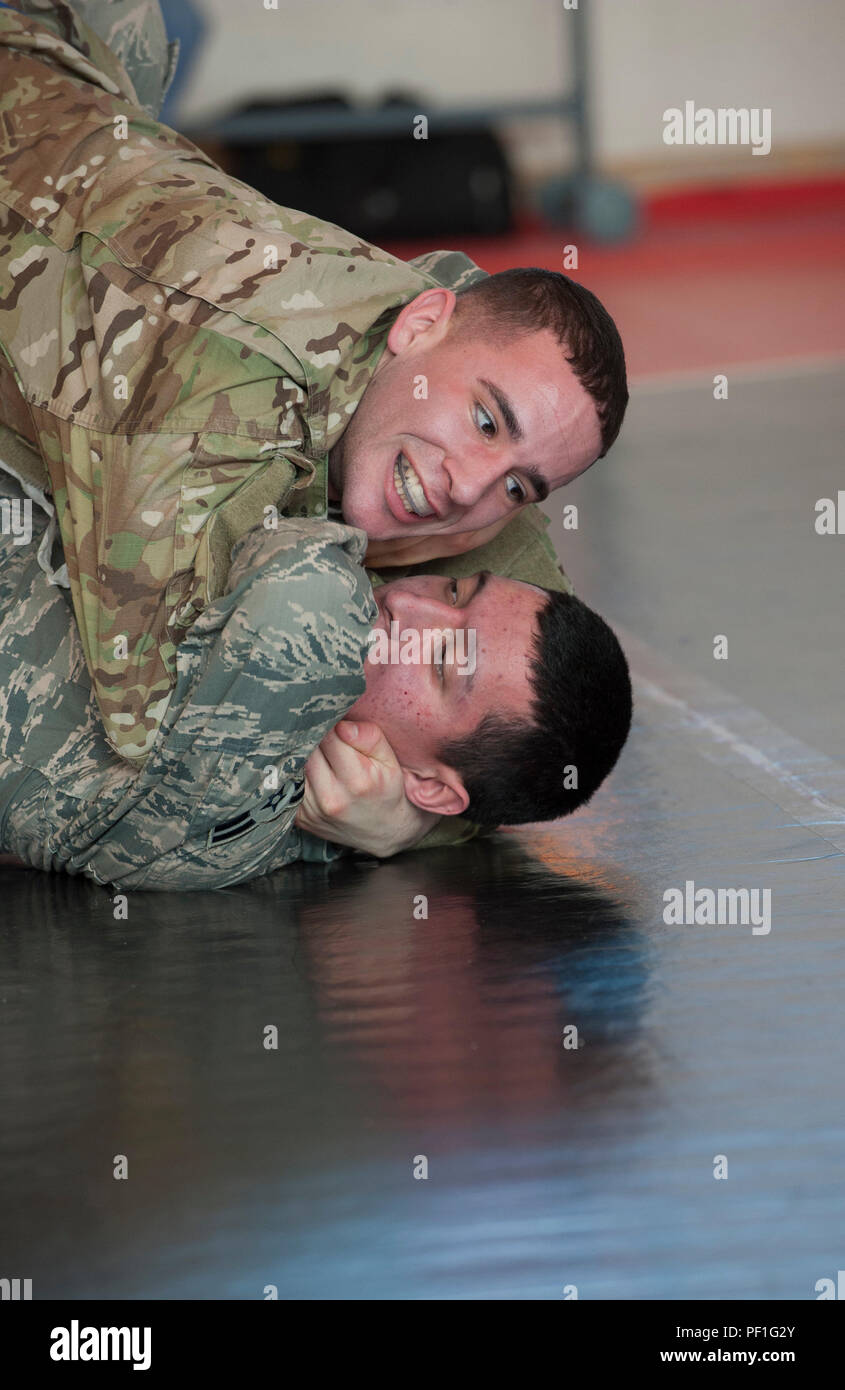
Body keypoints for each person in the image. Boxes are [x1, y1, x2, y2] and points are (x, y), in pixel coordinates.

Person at [0, 0, 628, 776]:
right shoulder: (216, 404)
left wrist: (459, 787)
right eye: (486, 422)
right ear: (419, 325)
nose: (468, 485)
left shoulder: (438, 336)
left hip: (68, 100)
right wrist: (405, 807)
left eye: (518, 485)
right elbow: (158, 763)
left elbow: (527, 678)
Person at [0, 471, 633, 891]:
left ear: (434, 788)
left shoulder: (236, 804)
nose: (407, 607)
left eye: (441, 660)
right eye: (455, 587)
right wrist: (410, 830)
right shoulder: (331, 808)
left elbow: (303, 582)